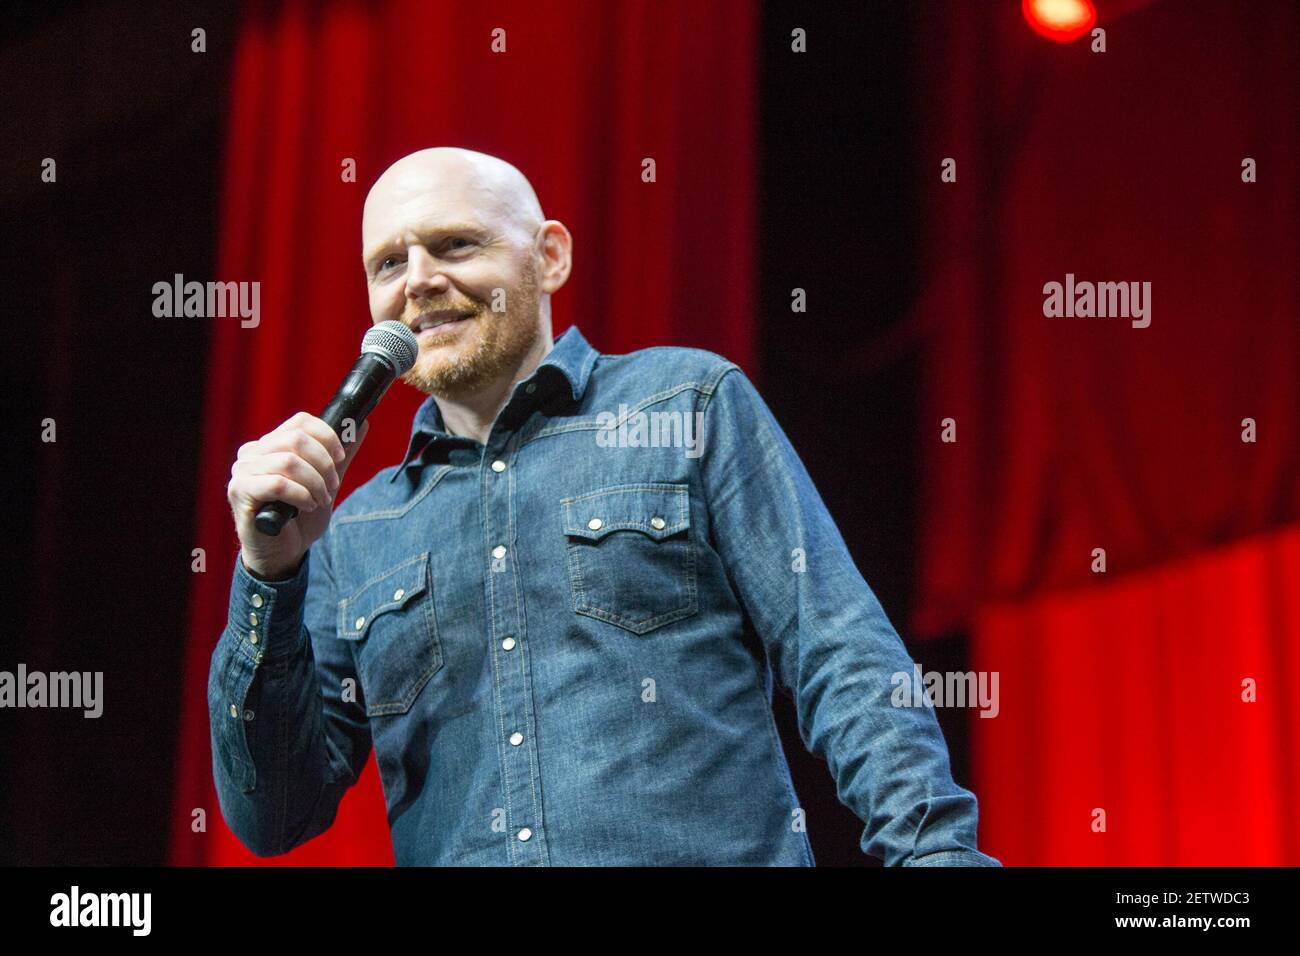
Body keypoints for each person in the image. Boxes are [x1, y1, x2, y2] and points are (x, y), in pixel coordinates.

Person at [212, 146, 1001, 866]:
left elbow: (841, 654)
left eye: (455, 244)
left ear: (549, 256)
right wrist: (266, 574)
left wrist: (934, 856)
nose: (417, 279)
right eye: (389, 261)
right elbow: (273, 812)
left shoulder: (688, 404)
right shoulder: (355, 534)